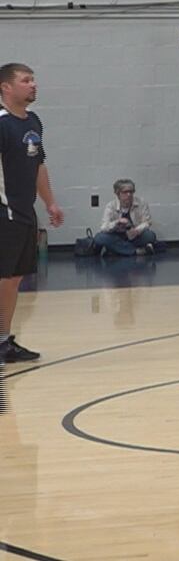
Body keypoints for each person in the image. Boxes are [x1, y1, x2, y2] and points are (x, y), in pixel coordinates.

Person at [0, 63, 64, 363]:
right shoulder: (0, 123)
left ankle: (4, 340)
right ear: (6, 87)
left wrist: (50, 202)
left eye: (33, 80)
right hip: (4, 212)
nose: (33, 85)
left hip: (25, 211)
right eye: (26, 81)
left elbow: (38, 164)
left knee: (13, 279)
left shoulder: (33, 121)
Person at [95, 180, 158, 257]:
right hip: (116, 237)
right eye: (125, 192)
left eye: (131, 192)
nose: (129, 194)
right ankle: (137, 251)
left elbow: (147, 222)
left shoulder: (142, 203)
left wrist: (137, 231)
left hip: (134, 236)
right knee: (99, 238)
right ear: (118, 194)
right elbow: (103, 227)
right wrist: (116, 223)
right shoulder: (111, 206)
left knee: (150, 235)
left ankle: (117, 250)